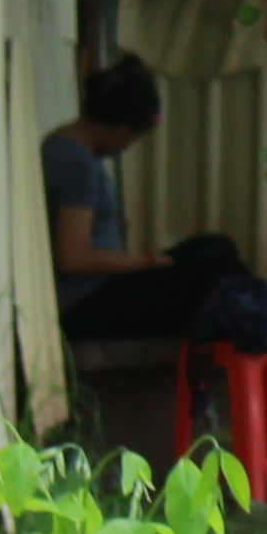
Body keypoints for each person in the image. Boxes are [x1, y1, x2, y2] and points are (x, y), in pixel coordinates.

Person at [45, 56, 246, 338]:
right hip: (84, 305)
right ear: (121, 130)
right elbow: (73, 258)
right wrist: (145, 262)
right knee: (217, 268)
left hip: (95, 292)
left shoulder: (56, 144)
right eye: (132, 140)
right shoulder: (79, 166)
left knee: (216, 247)